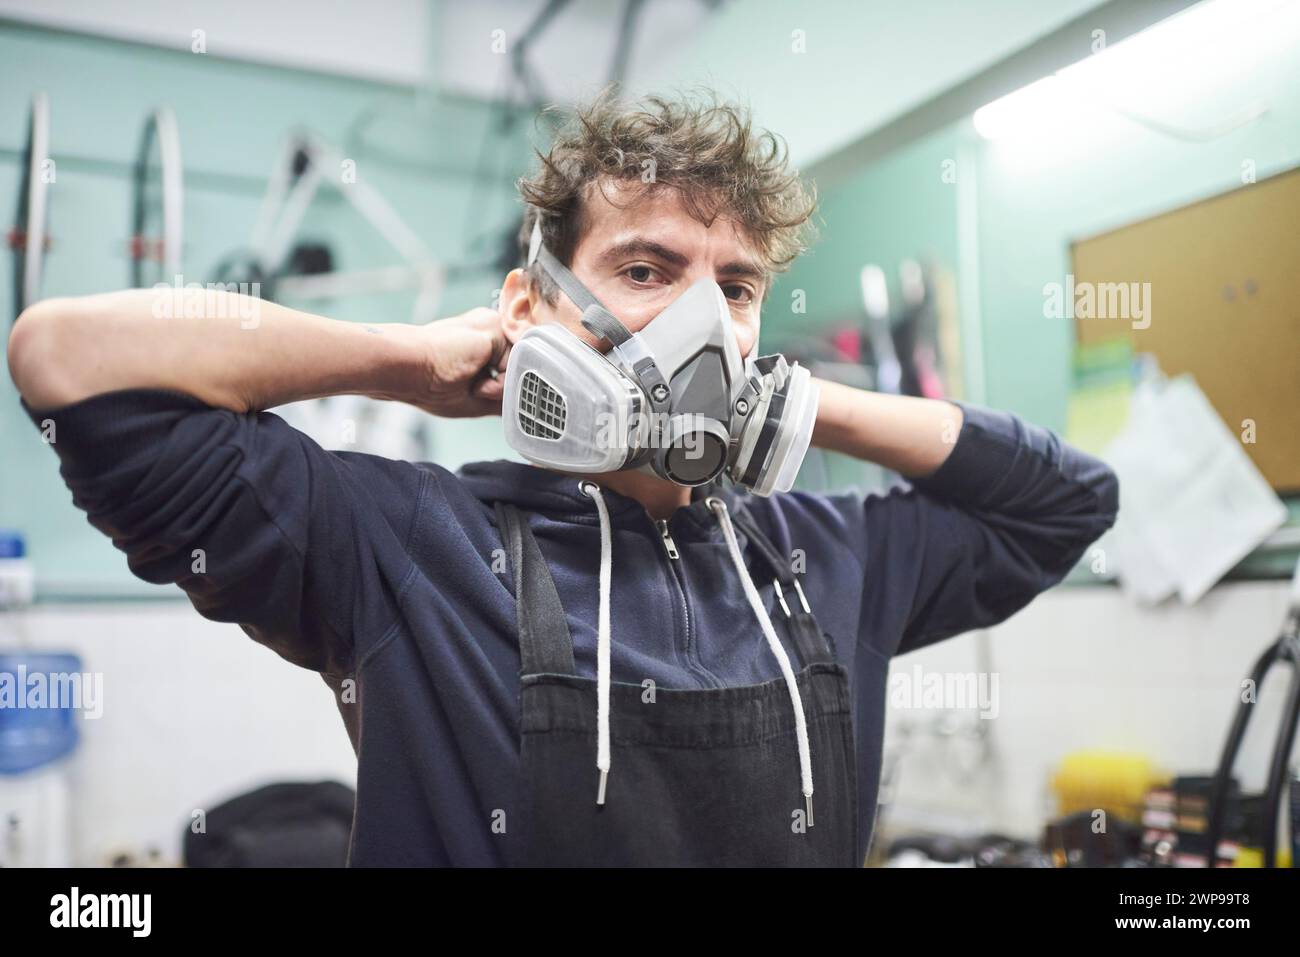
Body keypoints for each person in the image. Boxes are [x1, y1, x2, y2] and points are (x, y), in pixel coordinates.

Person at [6, 91, 1118, 866]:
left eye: (734, 288)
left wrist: (801, 404)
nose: (699, 321)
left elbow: (1068, 500)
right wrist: (405, 359)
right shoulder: (404, 547)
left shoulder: (826, 557)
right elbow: (66, 359)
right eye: (645, 269)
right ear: (531, 304)